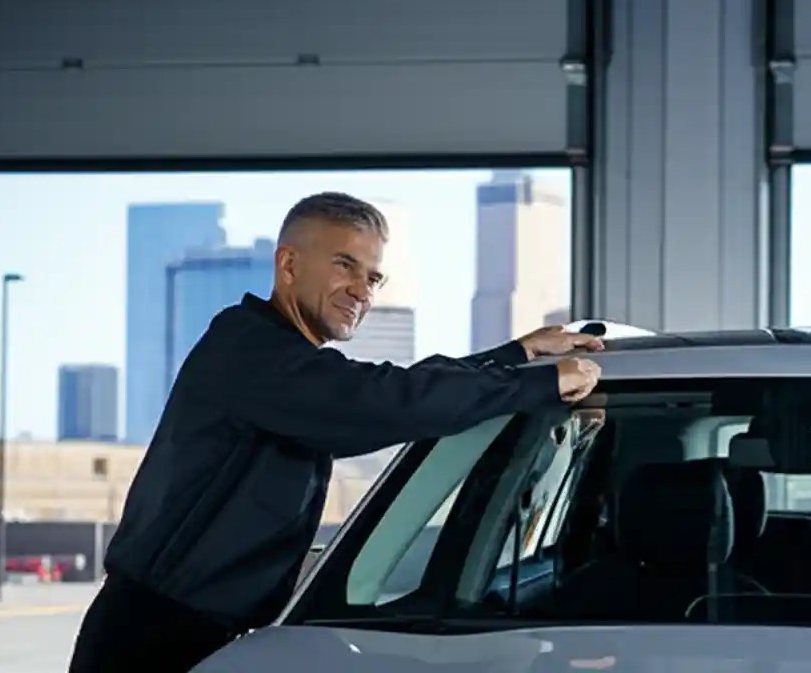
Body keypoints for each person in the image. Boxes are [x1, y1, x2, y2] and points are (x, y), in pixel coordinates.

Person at [68, 192, 602, 672]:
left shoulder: (293, 367)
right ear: (289, 264)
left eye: (372, 276)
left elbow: (392, 392)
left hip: (208, 633)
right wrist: (532, 386)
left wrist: (514, 356)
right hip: (153, 640)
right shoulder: (248, 350)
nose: (361, 290)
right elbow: (383, 401)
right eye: (345, 265)